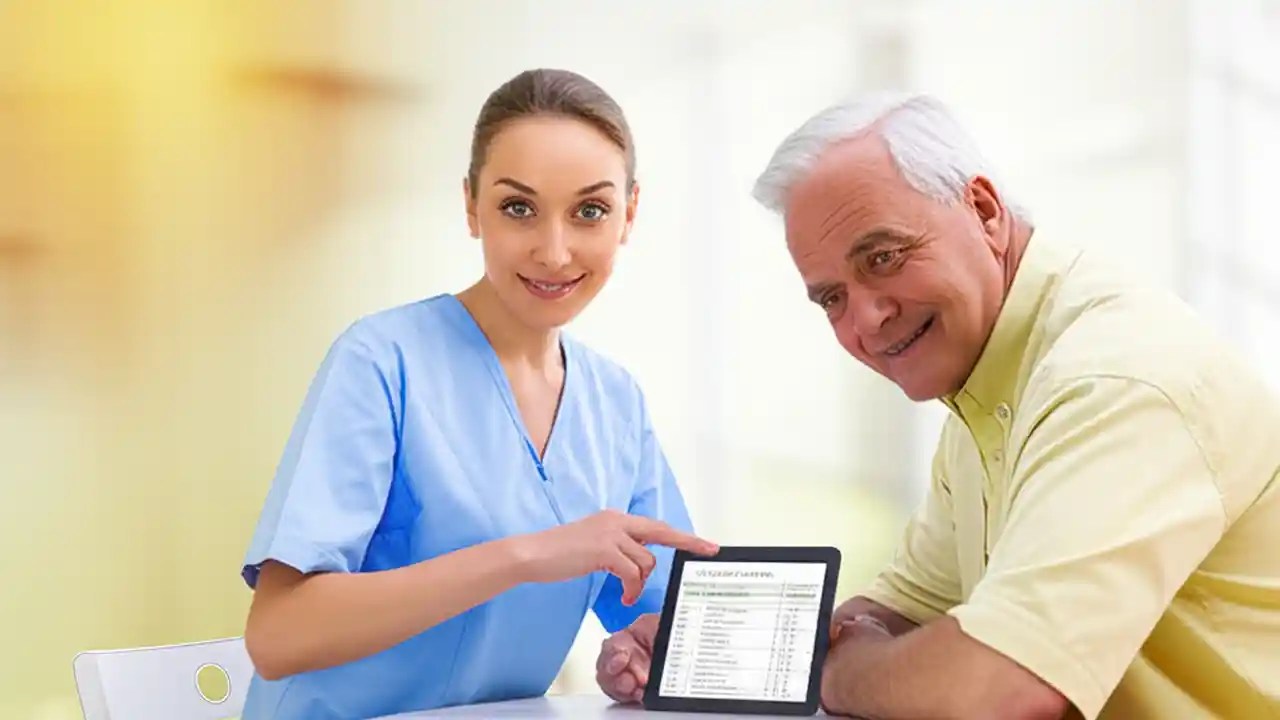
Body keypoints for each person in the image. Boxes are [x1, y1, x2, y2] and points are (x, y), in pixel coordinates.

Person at [747, 92, 1280, 719]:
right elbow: (905, 609)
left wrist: (838, 676)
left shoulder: (1112, 379)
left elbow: (1001, 689)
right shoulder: (989, 383)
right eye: (832, 298)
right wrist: (733, 655)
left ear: (983, 209)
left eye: (883, 257)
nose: (866, 319)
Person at [238, 68, 718, 720]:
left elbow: (670, 615)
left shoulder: (614, 402)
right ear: (471, 206)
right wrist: (526, 556)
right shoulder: (382, 362)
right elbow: (278, 636)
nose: (554, 251)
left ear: (629, 215)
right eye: (518, 207)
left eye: (590, 211)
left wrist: (639, 652)